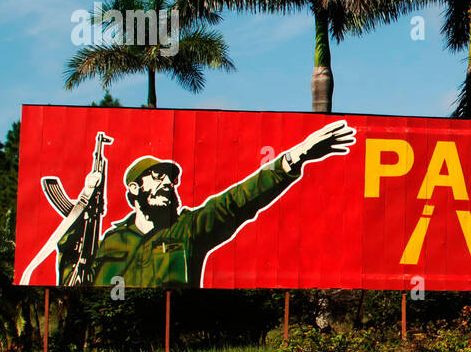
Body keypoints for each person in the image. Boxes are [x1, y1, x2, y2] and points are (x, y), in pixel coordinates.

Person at [54, 120, 356, 288]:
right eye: (157, 176)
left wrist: (294, 157)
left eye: (171, 179)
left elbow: (236, 202)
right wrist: (82, 210)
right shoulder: (110, 241)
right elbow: (71, 279)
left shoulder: (187, 229)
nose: (167, 183)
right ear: (134, 188)